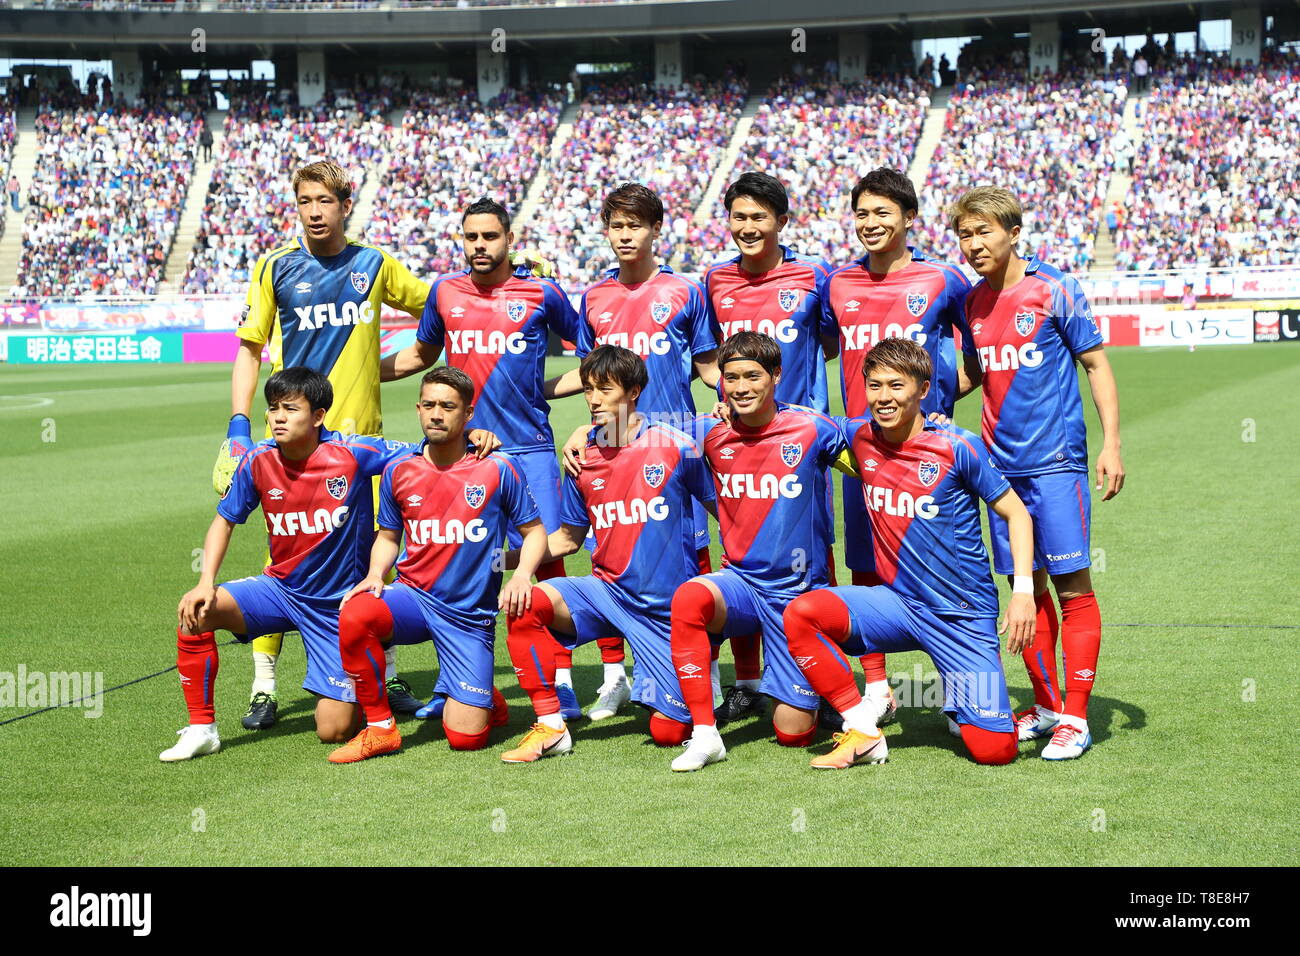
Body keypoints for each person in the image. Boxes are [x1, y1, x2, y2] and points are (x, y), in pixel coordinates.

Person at [215, 160, 431, 730]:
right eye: (304, 200)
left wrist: (379, 368)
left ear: (344, 206)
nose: (313, 211)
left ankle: (378, 669)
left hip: (365, 448)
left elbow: (437, 312)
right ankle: (264, 687)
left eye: (324, 201)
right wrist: (239, 426)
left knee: (375, 559)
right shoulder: (275, 267)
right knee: (286, 556)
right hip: (295, 448)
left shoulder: (373, 263)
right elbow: (249, 349)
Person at [783, 337, 1035, 768]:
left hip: (962, 615)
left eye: (896, 386)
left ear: (923, 388)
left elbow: (1017, 514)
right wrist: (728, 409)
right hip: (898, 605)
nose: (883, 397)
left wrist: (1024, 591)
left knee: (994, 751)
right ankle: (862, 727)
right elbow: (791, 416)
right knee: (802, 614)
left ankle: (963, 696)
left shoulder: (957, 446)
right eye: (875, 385)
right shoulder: (859, 438)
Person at [380, 196, 588, 718]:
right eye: (470, 237)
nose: (479, 246)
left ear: (508, 239)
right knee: (462, 557)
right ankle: (458, 681)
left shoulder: (542, 292)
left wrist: (542, 392)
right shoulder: (445, 292)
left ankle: (558, 682)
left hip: (529, 446)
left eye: (489, 237)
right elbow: (422, 356)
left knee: (550, 560)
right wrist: (359, 370)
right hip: (465, 452)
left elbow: (591, 359)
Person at [950, 186, 1125, 760]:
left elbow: (1095, 363)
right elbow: (976, 373)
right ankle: (1049, 704)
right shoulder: (973, 303)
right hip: (1001, 476)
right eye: (965, 235)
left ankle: (1076, 716)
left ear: (1013, 232)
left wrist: (1111, 444)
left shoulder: (1055, 289)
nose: (974, 245)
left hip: (1056, 464)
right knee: (1026, 588)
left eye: (984, 232)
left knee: (1074, 586)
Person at [163, 369, 418, 761]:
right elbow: (224, 521)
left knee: (332, 730)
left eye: (290, 409)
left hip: (338, 607)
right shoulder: (258, 459)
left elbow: (423, 451)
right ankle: (202, 729)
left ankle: (364, 675)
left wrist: (471, 437)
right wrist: (205, 581)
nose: (278, 417)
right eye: (272, 408)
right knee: (196, 612)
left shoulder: (352, 453)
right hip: (280, 591)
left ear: (318, 416)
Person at [552, 182, 721, 718]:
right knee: (612, 552)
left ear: (655, 230)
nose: (626, 236)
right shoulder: (595, 297)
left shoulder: (686, 291)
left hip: (673, 442)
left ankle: (704, 674)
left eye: (636, 226)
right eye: (617, 226)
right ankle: (613, 677)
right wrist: (583, 428)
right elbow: (592, 378)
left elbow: (709, 365)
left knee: (688, 553)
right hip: (614, 449)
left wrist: (737, 404)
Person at [502, 345, 714, 761]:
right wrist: (504, 562)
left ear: (634, 391)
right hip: (607, 595)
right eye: (588, 390)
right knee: (524, 604)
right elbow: (566, 540)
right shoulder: (583, 458)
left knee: (668, 732)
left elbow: (724, 513)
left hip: (665, 611)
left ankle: (682, 680)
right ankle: (550, 725)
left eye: (605, 390)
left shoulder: (675, 444)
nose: (593, 400)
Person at [329, 366, 547, 762]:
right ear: (417, 408)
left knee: (466, 740)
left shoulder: (498, 467)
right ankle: (380, 729)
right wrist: (375, 575)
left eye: (448, 406)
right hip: (414, 599)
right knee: (356, 613)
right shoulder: (400, 469)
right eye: (428, 405)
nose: (436, 414)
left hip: (469, 614)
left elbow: (535, 533)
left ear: (468, 414)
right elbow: (389, 536)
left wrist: (522, 574)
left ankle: (484, 695)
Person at [820, 167, 971, 721]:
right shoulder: (836, 283)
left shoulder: (943, 279)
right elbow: (820, 351)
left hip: (926, 455)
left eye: (883, 212)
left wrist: (940, 410)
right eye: (862, 213)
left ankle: (957, 686)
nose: (871, 223)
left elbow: (977, 354)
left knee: (942, 567)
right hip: (862, 453)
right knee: (866, 565)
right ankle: (878, 686)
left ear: (910, 218)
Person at [665, 331, 851, 772]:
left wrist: (933, 423)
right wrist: (583, 432)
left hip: (798, 596)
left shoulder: (811, 427)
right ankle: (706, 735)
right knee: (689, 597)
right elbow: (631, 430)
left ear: (776, 376)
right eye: (731, 378)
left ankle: (817, 683)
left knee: (793, 734)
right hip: (742, 585)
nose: (741, 387)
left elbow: (873, 453)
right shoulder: (709, 434)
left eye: (752, 376)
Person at [700, 170, 838, 725]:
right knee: (742, 550)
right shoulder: (714, 279)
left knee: (814, 553)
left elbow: (829, 341)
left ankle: (824, 679)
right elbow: (708, 355)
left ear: (782, 221)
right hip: (738, 438)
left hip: (798, 443)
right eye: (739, 216)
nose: (749, 227)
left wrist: (798, 408)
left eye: (760, 217)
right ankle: (749, 680)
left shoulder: (814, 276)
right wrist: (723, 390)